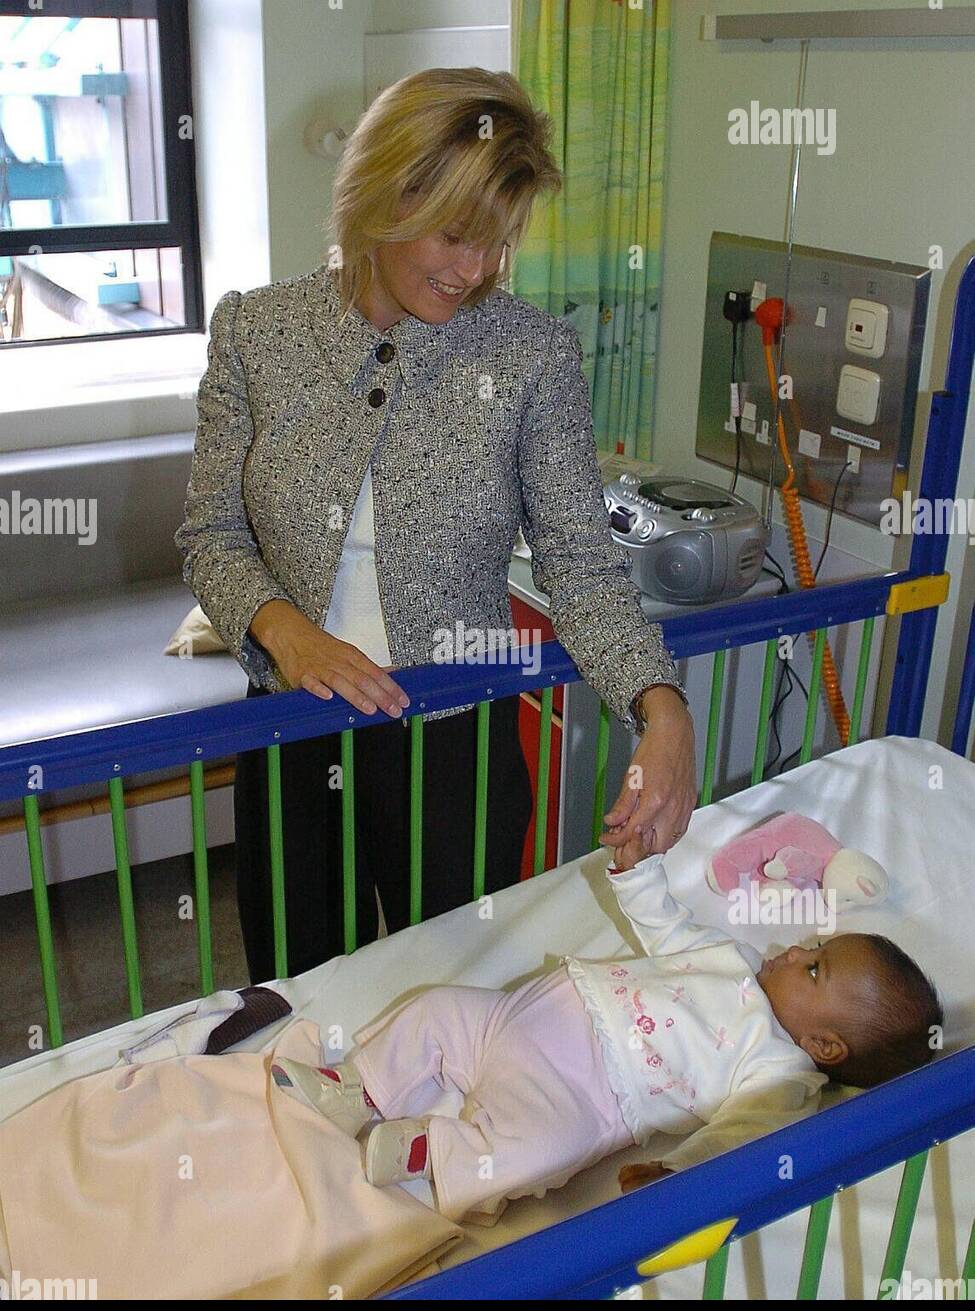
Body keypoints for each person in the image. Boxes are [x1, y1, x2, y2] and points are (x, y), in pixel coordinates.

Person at [175, 68, 696, 985]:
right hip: (291, 728)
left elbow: (579, 562)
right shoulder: (258, 332)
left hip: (455, 734)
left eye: (495, 244)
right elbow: (210, 536)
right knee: (300, 997)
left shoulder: (532, 355)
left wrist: (661, 708)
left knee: (462, 995)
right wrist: (283, 630)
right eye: (456, 235)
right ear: (381, 194)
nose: (474, 272)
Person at [272, 847, 943, 1226]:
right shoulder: (731, 959)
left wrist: (677, 1170)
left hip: (579, 1092)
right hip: (524, 1013)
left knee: (540, 1148)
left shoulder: (779, 1073)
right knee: (437, 1008)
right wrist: (637, 871)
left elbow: (737, 1136)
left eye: (814, 968)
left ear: (825, 1046)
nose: (794, 952)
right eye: (811, 945)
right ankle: (354, 1088)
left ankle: (427, 1148)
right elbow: (668, 927)